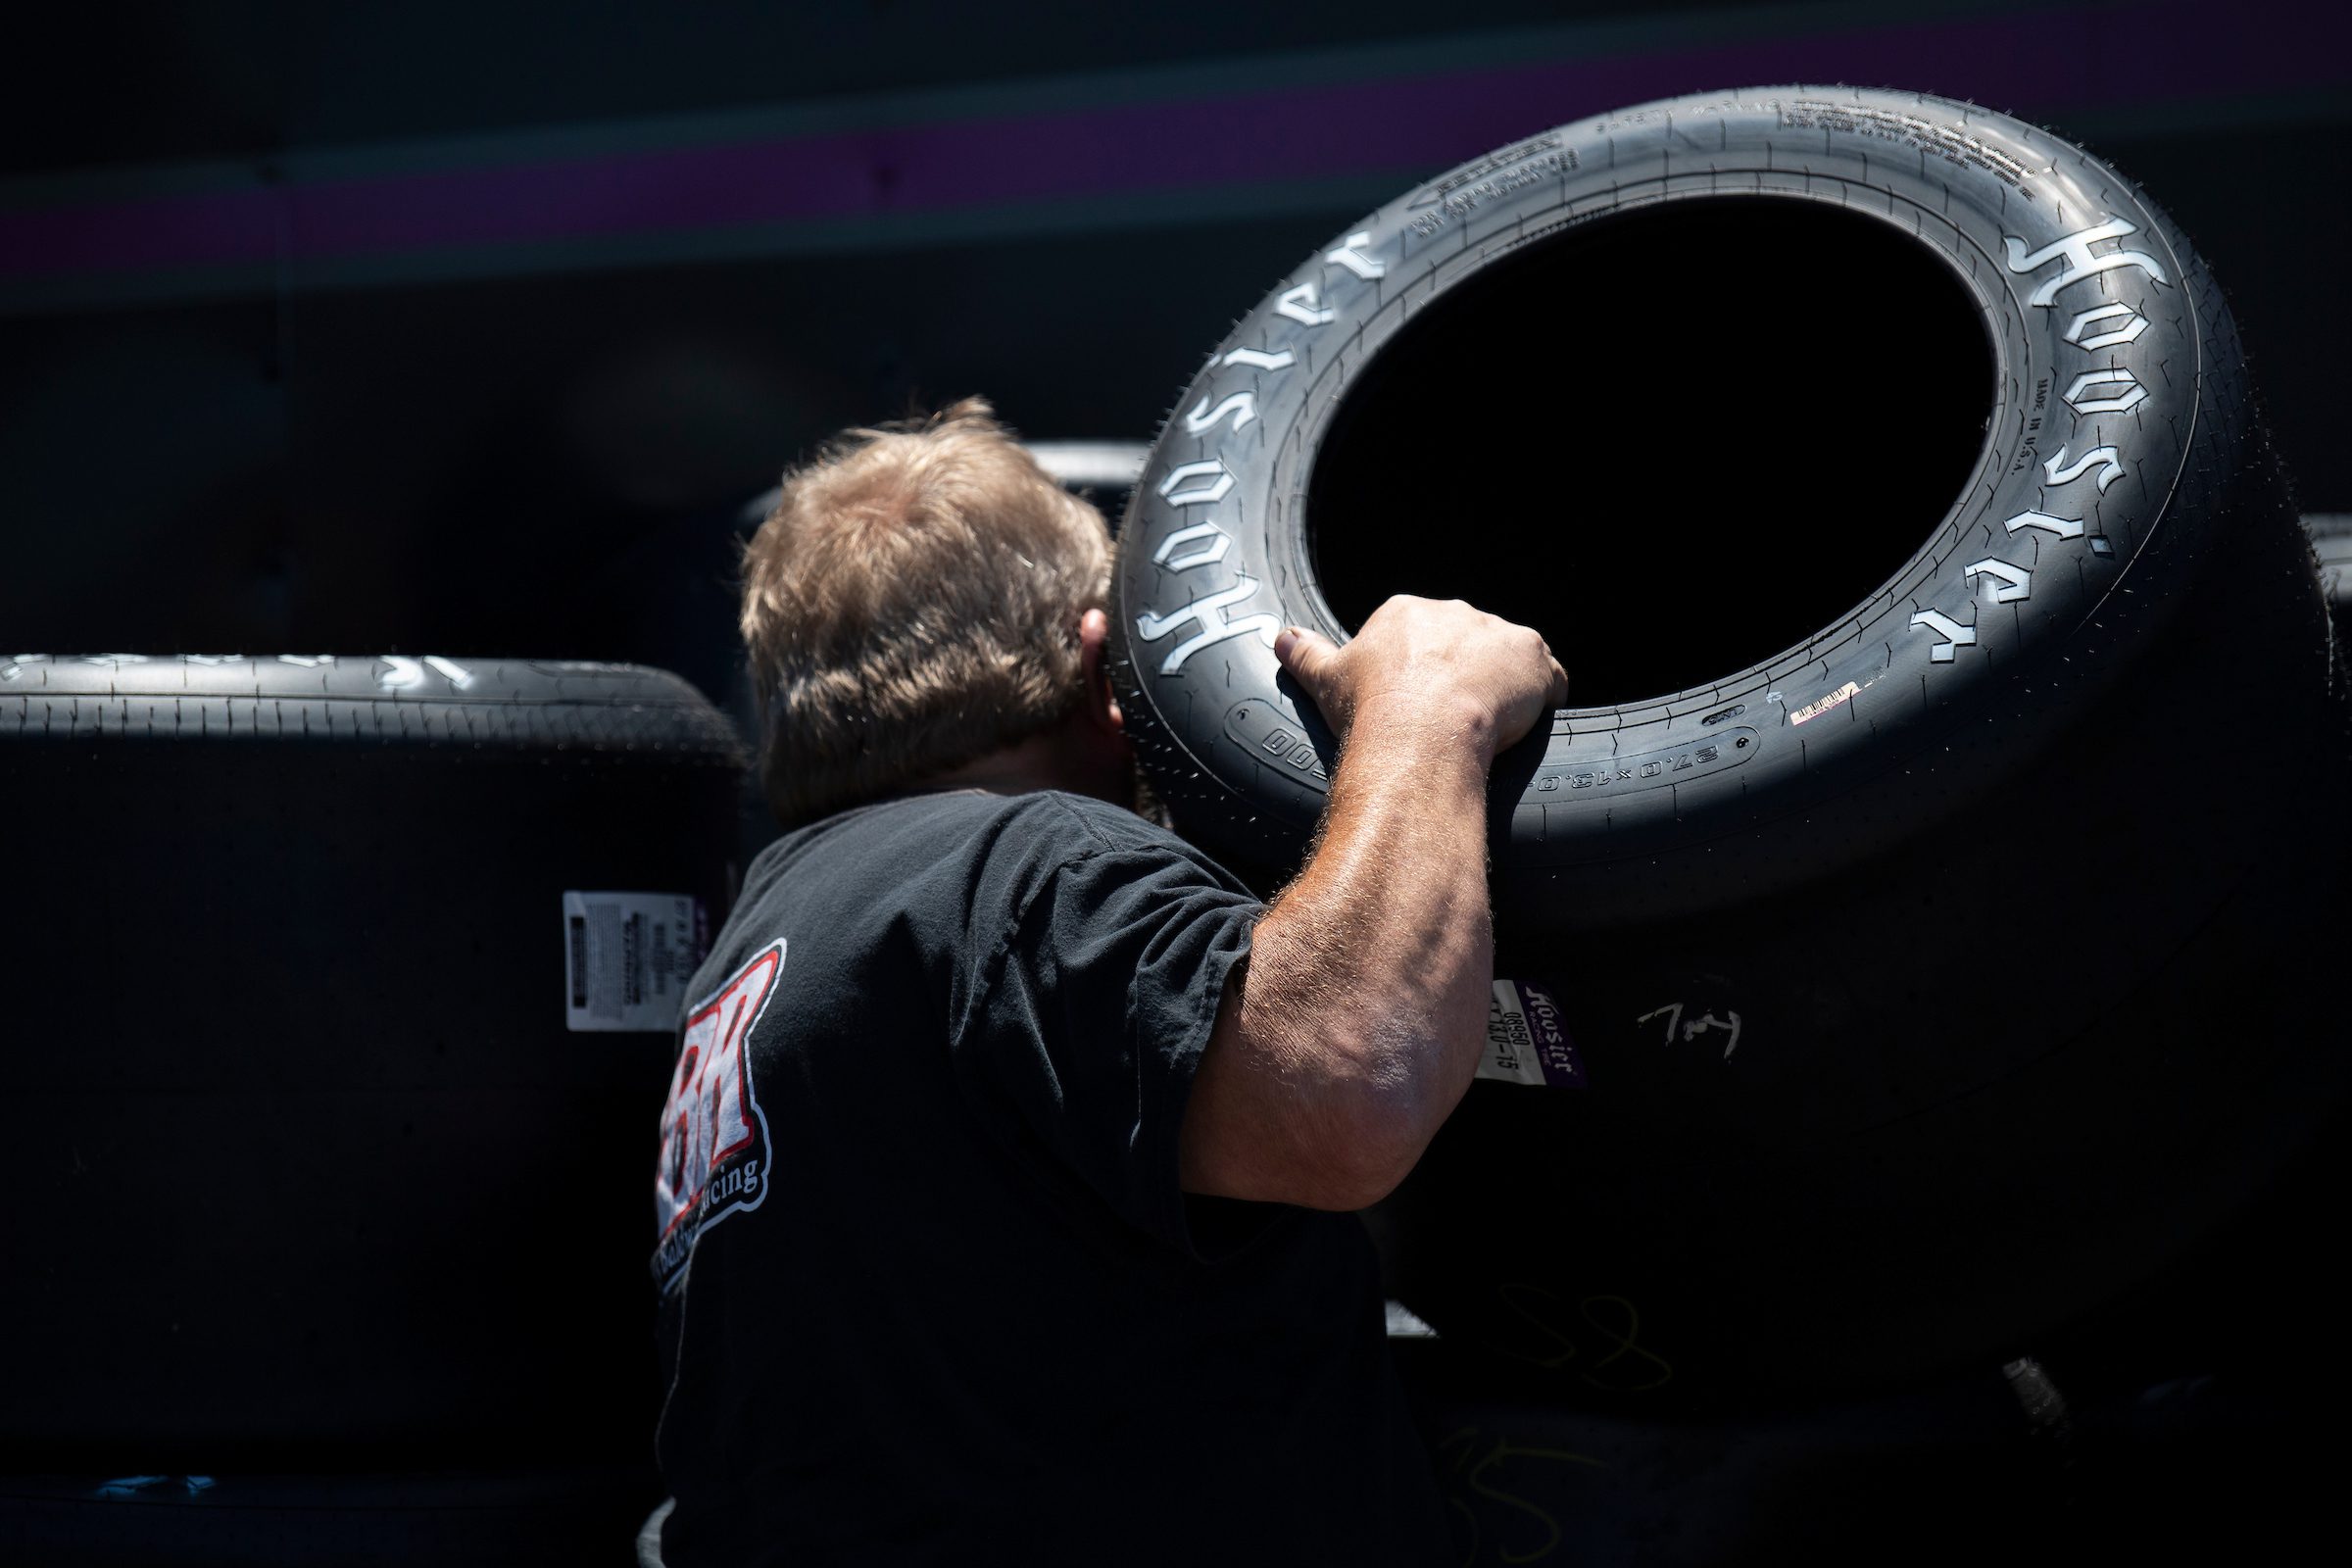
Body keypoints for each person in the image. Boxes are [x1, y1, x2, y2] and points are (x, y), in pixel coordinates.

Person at [650, 398, 1567, 1566]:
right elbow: (1351, 1082)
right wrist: (1432, 711)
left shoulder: (754, 954)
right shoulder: (1025, 866)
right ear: (1103, 670)